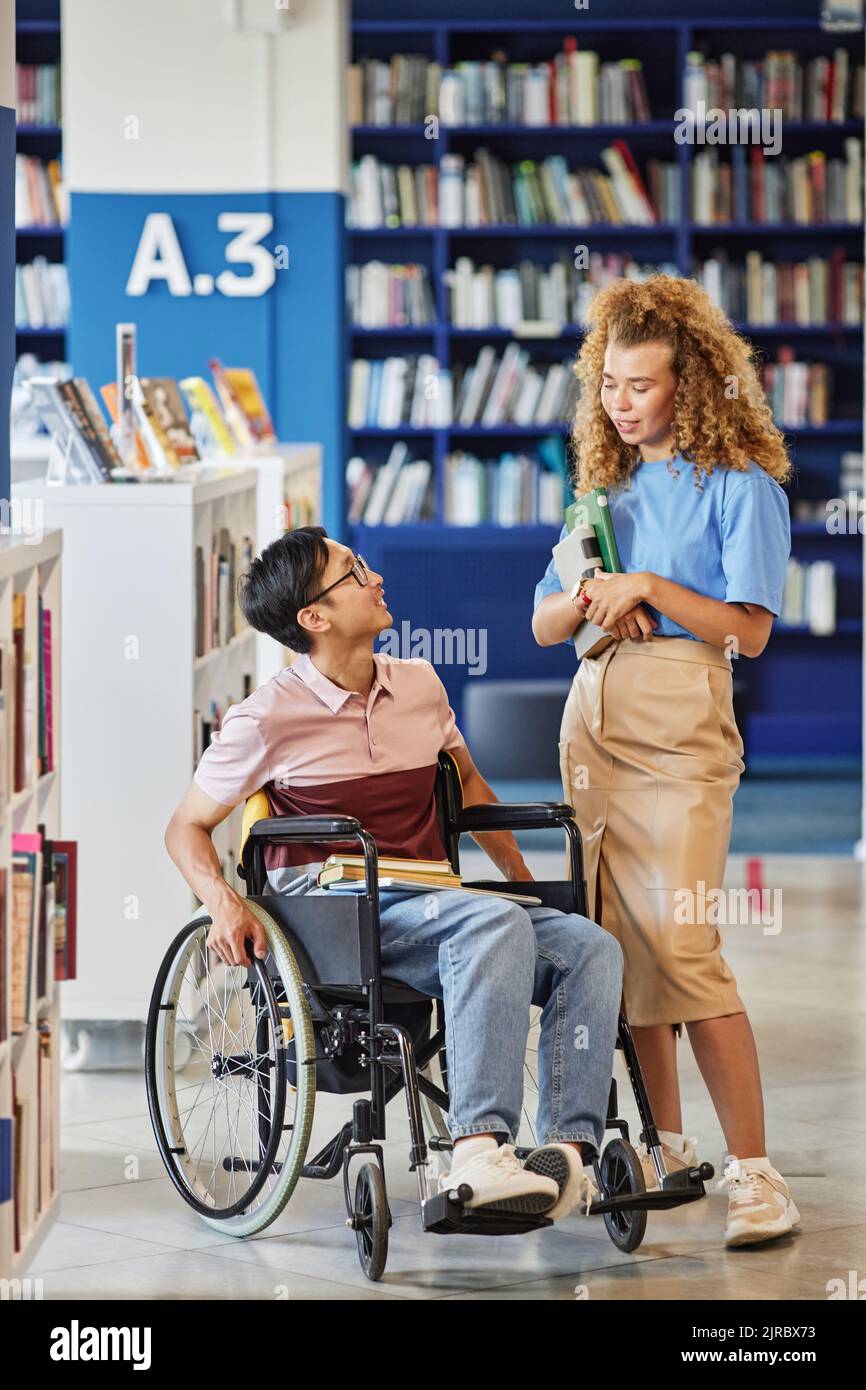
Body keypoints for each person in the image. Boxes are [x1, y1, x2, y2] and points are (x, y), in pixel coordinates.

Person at [165, 527, 623, 1223]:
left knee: (590, 947)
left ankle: (567, 1155)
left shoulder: (418, 683)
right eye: (354, 573)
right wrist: (223, 902)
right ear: (314, 618)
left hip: (436, 901)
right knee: (491, 924)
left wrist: (522, 878)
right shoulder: (264, 718)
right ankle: (476, 1152)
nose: (375, 578)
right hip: (340, 918)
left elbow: (469, 789)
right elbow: (184, 827)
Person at [532, 274, 796, 1249]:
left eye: (640, 385)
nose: (619, 402)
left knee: (682, 945)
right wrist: (595, 593)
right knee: (620, 953)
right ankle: (666, 1145)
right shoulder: (598, 491)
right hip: (592, 725)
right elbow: (543, 616)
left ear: (691, 385)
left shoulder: (743, 490)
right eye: (608, 385)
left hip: (682, 731)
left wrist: (649, 583)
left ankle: (757, 1175)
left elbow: (751, 630)